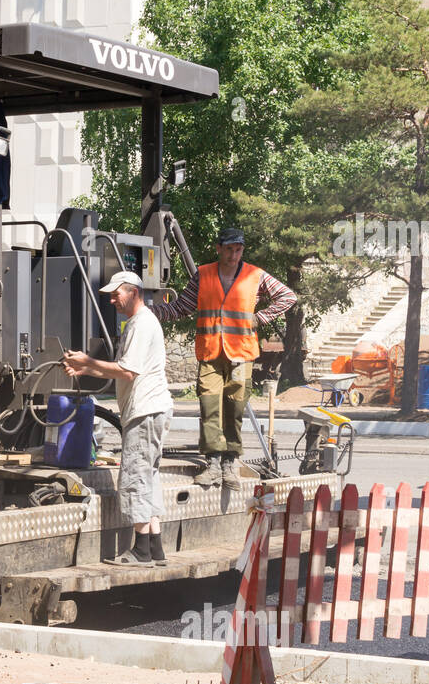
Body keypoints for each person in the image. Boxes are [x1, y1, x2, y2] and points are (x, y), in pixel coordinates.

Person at [153, 228, 297, 489]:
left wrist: (261, 317)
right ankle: (213, 464)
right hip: (210, 354)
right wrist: (148, 311)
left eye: (238, 249)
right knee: (210, 409)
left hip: (241, 355)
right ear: (218, 249)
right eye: (229, 249)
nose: (233, 254)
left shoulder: (255, 275)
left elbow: (288, 296)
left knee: (234, 410)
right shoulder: (203, 274)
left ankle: (229, 463)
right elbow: (181, 307)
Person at [63, 270, 173, 567]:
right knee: (148, 477)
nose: (112, 300)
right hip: (151, 409)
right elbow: (122, 370)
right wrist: (88, 370)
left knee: (135, 477)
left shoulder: (141, 324)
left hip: (145, 410)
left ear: (134, 292)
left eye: (116, 294)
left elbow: (127, 371)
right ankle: (155, 548)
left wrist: (87, 361)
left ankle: (140, 552)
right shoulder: (141, 322)